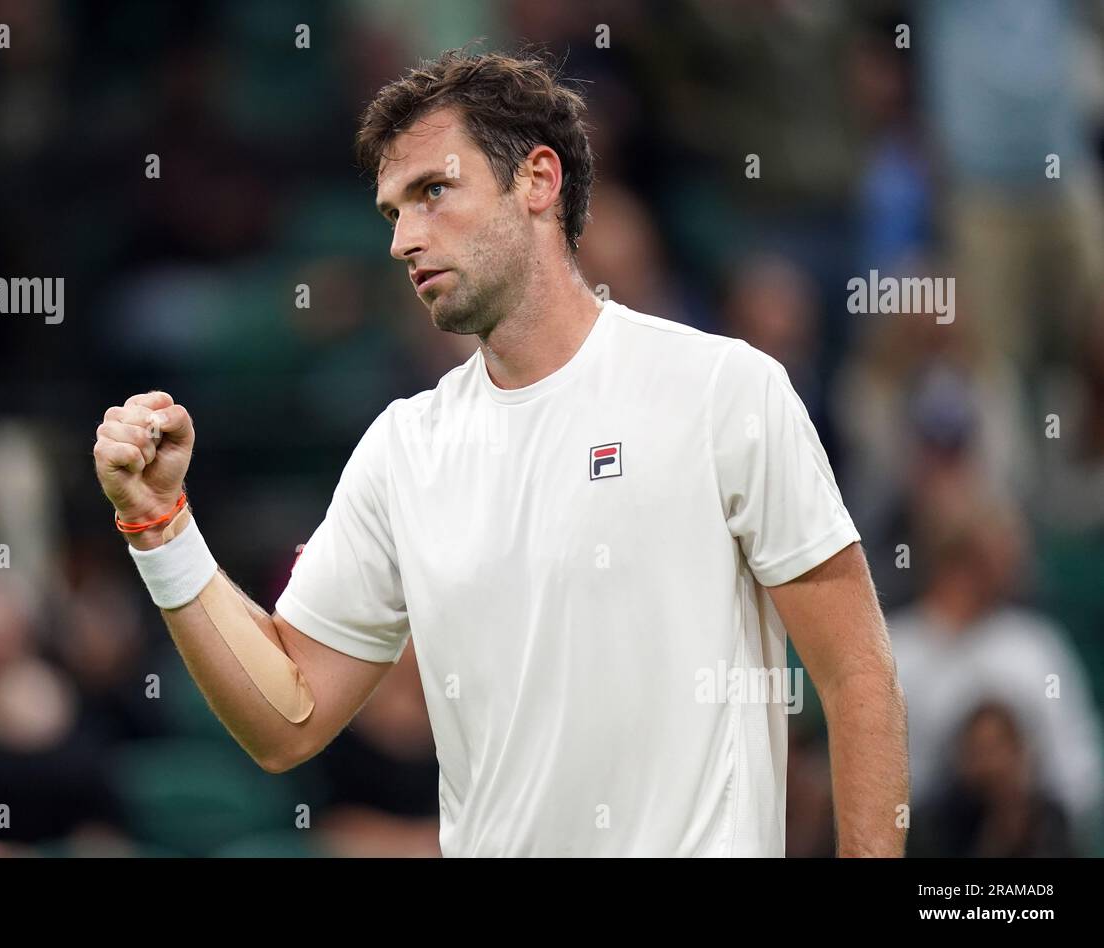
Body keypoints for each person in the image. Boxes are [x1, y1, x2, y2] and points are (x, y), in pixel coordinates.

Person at [92, 49, 907, 857]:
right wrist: (161, 525)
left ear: (538, 182)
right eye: (392, 213)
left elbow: (857, 675)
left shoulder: (725, 390)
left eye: (433, 193)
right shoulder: (403, 449)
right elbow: (285, 722)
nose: (403, 239)